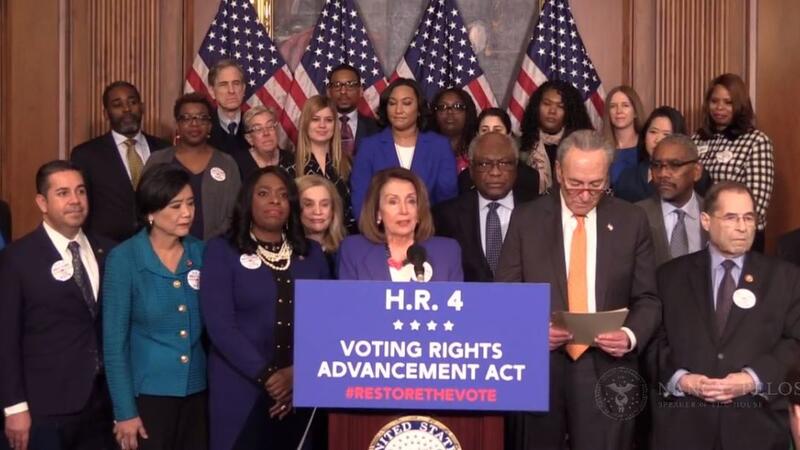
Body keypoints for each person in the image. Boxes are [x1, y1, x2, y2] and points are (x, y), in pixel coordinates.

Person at [496, 130, 660, 450]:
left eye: (595, 184)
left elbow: (648, 299)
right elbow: (506, 293)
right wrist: (532, 331)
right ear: (558, 172)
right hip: (542, 365)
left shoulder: (631, 220)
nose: (584, 194)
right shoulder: (526, 219)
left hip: (608, 367)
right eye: (575, 183)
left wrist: (629, 335)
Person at [653, 181, 800, 450]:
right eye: (731, 218)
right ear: (706, 221)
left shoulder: (785, 278)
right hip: (684, 426)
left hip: (757, 427)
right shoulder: (670, 276)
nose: (743, 228)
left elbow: (794, 343)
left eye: (749, 218)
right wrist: (681, 379)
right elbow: (654, 342)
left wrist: (752, 379)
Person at [200, 167, 330, 450]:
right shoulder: (222, 251)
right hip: (240, 390)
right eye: (264, 194)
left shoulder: (312, 254)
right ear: (248, 201)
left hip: (300, 391)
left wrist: (296, 376)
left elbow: (325, 327)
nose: (275, 201)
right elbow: (221, 326)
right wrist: (270, 377)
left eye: (283, 195)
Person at [0, 161, 116, 450]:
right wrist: (14, 407)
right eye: (63, 193)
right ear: (42, 202)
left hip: (102, 405)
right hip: (43, 409)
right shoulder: (17, 259)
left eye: (80, 191)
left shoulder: (110, 252)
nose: (75, 201)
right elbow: (5, 339)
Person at [102, 164, 207, 450]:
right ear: (151, 211)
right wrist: (125, 411)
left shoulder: (202, 252)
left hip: (197, 395)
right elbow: (114, 344)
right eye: (175, 206)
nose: (187, 213)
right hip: (147, 398)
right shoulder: (124, 259)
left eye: (190, 203)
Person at [71, 80, 170, 243]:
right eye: (117, 105)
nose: (127, 109)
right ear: (106, 113)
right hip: (107, 250)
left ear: (142, 107)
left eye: (132, 102)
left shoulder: (164, 149)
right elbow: (82, 207)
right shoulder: (86, 155)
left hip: (159, 246)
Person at [436, 132, 537, 281]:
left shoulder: (539, 214)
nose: (495, 172)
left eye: (504, 163)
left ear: (516, 167)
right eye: (484, 164)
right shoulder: (445, 217)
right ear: (471, 170)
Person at [351, 78, 458, 218]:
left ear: (419, 109)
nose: (398, 110)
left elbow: (447, 201)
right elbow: (361, 201)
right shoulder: (369, 147)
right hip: (380, 235)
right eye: (392, 103)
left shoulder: (439, 146)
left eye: (406, 103)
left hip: (429, 234)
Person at [693, 73, 775, 252]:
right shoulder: (697, 139)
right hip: (700, 232)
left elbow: (757, 205)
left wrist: (726, 224)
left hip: (740, 235)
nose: (719, 107)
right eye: (714, 101)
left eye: (728, 102)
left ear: (740, 105)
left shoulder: (756, 141)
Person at [145, 93, 240, 240]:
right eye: (186, 118)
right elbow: (146, 206)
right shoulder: (158, 160)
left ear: (210, 125)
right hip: (166, 250)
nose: (194, 124)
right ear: (177, 124)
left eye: (202, 118)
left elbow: (235, 212)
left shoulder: (227, 163)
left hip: (216, 250)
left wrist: (211, 244)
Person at [339, 167, 462, 281]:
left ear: (419, 210)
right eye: (393, 202)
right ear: (378, 212)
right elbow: (350, 303)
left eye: (411, 201)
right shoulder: (354, 251)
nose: (404, 210)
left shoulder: (447, 252)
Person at [285, 95, 355, 233]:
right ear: (306, 123)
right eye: (315, 119)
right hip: (304, 245)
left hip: (344, 242)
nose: (322, 125)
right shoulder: (288, 167)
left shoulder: (349, 163)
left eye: (328, 120)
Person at [636, 134, 707, 266]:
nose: (663, 174)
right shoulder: (636, 216)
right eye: (657, 165)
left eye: (675, 165)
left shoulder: (713, 213)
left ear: (696, 171)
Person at [519, 80, 592, 194]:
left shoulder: (582, 146)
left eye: (560, 106)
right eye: (547, 104)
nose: (552, 111)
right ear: (536, 106)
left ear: (570, 111)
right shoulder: (521, 145)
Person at [459, 108, 540, 198]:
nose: (491, 135)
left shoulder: (529, 177)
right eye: (484, 130)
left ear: (508, 134)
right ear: (477, 135)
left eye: (497, 130)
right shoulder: (465, 178)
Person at [614, 106, 687, 202]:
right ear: (644, 136)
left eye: (666, 134)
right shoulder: (627, 176)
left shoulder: (688, 177)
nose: (658, 140)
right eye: (653, 132)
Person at [325, 63, 380, 157]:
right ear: (328, 92)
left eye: (350, 85)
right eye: (337, 85)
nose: (343, 91)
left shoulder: (377, 128)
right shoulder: (319, 127)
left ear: (361, 91)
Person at [297, 174, 346, 275]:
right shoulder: (284, 254)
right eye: (308, 204)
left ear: (333, 210)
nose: (317, 211)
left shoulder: (347, 251)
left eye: (324, 204)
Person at [234, 105, 294, 179]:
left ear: (277, 130)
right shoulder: (237, 164)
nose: (266, 133)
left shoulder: (291, 160)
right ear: (249, 139)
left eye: (270, 126)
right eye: (258, 129)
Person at [603, 86, 646, 188]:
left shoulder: (646, 144)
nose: (619, 111)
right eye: (613, 106)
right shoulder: (600, 147)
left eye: (625, 105)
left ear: (635, 112)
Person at [429, 87, 479, 173]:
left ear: (468, 113)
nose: (450, 112)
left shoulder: (478, 151)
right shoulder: (423, 151)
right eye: (442, 107)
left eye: (458, 107)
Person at [207, 59, 249, 157]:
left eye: (236, 83)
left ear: (243, 89)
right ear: (212, 91)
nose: (231, 90)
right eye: (223, 85)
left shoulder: (254, 126)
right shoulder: (203, 128)